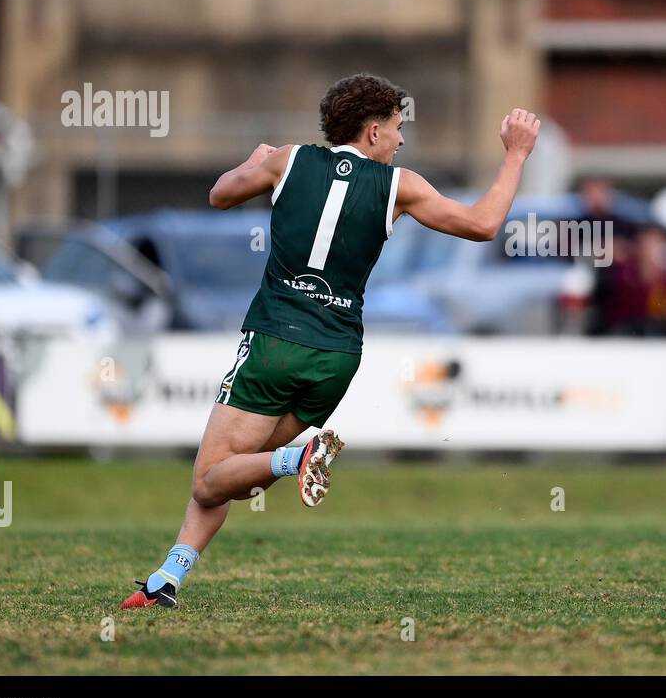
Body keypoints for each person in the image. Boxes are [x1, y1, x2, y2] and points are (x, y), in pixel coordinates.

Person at [121, 74, 540, 608]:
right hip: (337, 356)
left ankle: (298, 461)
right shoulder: (400, 187)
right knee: (236, 472)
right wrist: (516, 155)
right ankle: (167, 580)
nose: (400, 139)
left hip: (275, 341)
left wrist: (254, 163)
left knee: (209, 479)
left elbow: (220, 194)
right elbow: (482, 224)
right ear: (371, 133)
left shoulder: (289, 160)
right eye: (396, 127)